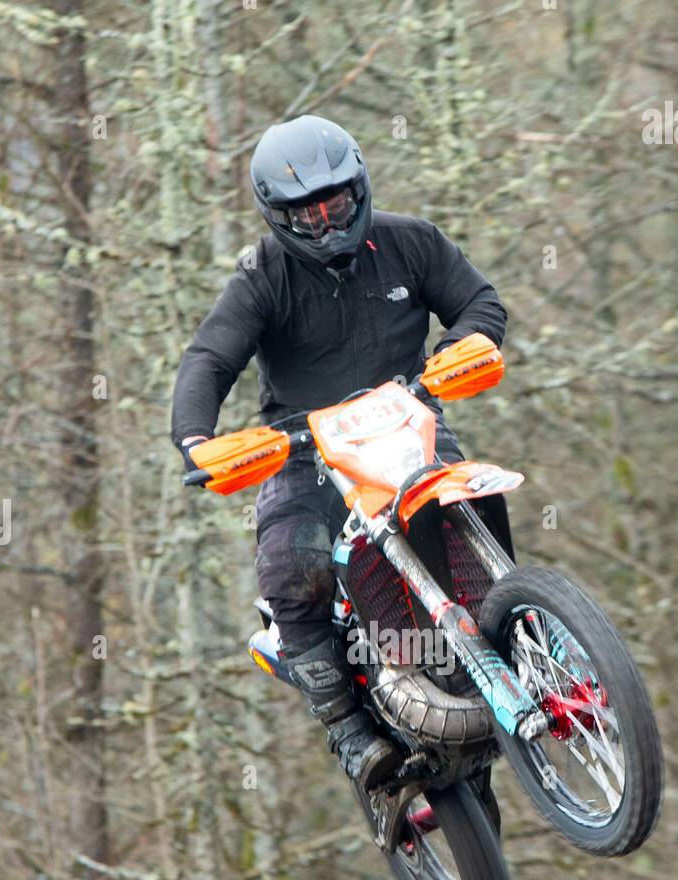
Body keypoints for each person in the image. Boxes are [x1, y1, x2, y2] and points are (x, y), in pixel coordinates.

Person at [171, 114, 508, 790]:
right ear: (277, 215)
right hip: (303, 451)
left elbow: (478, 301)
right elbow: (208, 360)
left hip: (410, 422)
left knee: (474, 500)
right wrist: (198, 440)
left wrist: (461, 348)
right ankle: (349, 733)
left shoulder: (412, 243)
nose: (326, 221)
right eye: (307, 211)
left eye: (336, 202)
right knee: (288, 567)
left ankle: (516, 624)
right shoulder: (261, 278)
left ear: (358, 188)